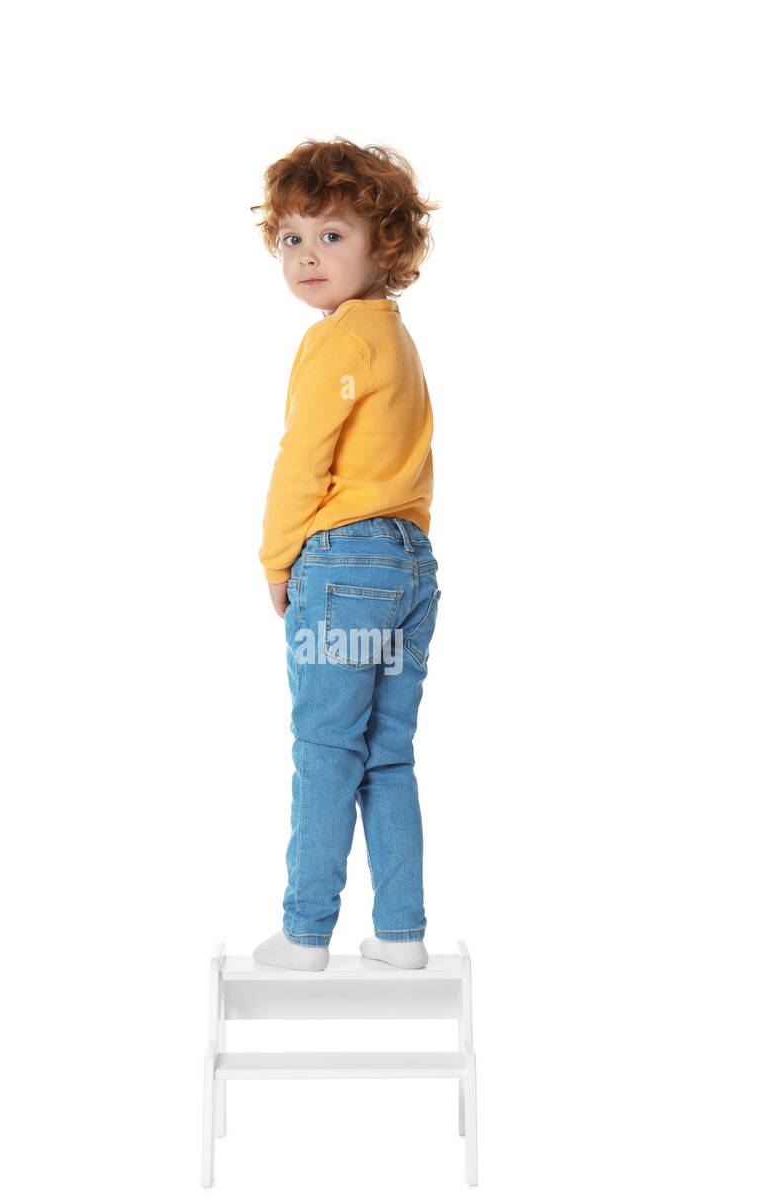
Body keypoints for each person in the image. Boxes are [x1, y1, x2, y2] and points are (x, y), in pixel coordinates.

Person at [249, 138, 441, 972]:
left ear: (384, 245)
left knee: (327, 748)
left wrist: (277, 558)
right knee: (387, 752)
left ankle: (305, 930)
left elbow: (305, 458)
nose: (307, 256)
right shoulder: (394, 339)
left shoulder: (337, 341)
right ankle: (401, 933)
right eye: (292, 237)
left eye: (332, 235)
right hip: (410, 564)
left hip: (345, 565)